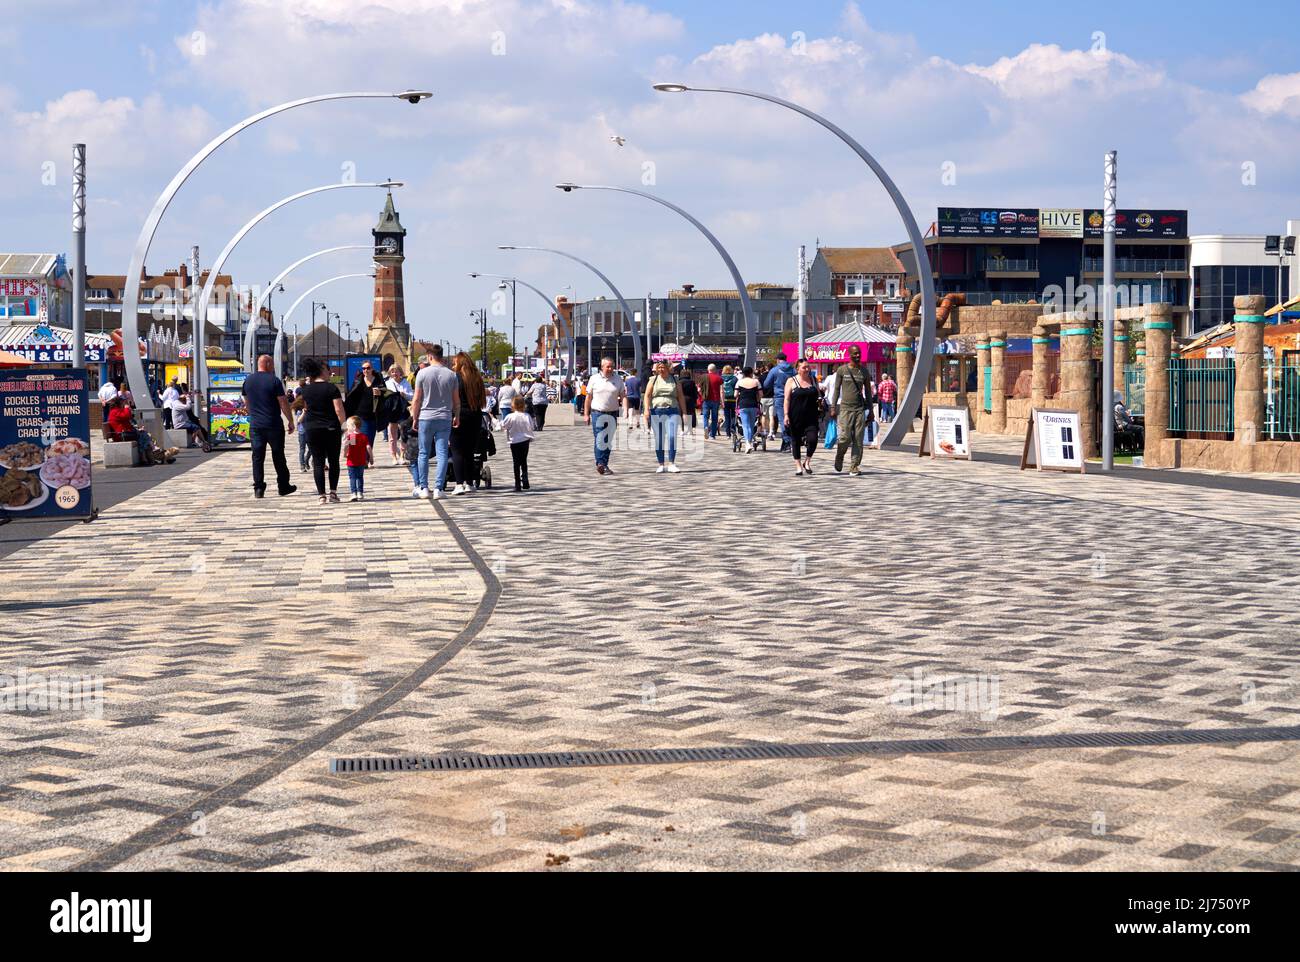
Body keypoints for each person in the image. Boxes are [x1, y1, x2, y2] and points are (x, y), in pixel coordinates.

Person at [241, 354, 297, 499]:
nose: (273, 367)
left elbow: (246, 401)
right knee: (278, 455)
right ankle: (283, 486)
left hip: (256, 425)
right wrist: (290, 421)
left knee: (257, 457)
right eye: (272, 364)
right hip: (273, 424)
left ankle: (259, 488)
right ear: (267, 364)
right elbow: (283, 402)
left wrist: (252, 413)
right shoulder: (274, 381)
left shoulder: (248, 381)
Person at [409, 344, 458, 499]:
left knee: (423, 452)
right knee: (442, 452)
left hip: (426, 417)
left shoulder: (422, 374)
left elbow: (416, 399)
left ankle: (424, 488)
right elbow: (456, 401)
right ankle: (439, 488)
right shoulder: (451, 375)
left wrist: (414, 417)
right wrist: (457, 415)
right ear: (442, 356)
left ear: (430, 356)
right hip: (444, 417)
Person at [299, 357, 346, 505]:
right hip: (331, 428)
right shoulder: (332, 388)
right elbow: (340, 411)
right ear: (322, 371)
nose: (329, 372)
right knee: (333, 461)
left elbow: (306, 409)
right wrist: (338, 425)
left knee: (318, 463)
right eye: (327, 369)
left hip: (312, 429)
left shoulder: (306, 390)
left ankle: (321, 496)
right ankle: (333, 493)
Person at [831, 345, 872, 476]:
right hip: (845, 409)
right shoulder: (842, 370)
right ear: (849, 354)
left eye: (859, 353)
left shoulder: (864, 372)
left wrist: (870, 410)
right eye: (855, 353)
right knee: (845, 438)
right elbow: (836, 389)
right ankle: (840, 455)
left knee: (858, 439)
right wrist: (833, 407)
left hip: (859, 409)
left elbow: (869, 393)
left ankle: (854, 466)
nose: (857, 356)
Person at [450, 352, 487, 496]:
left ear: (460, 363)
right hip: (475, 415)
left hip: (459, 415)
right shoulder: (477, 377)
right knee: (470, 452)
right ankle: (469, 483)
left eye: (454, 363)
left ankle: (459, 484)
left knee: (457, 451)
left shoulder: (456, 378)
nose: (453, 365)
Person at [644, 361, 688, 473]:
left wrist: (684, 413)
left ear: (668, 368)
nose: (661, 369)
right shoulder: (653, 380)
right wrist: (646, 410)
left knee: (672, 436)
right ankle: (661, 464)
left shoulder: (674, 380)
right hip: (656, 411)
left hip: (672, 410)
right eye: (659, 367)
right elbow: (647, 395)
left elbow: (681, 397)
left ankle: (672, 463)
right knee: (659, 439)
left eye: (663, 367)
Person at [584, 357, 625, 476]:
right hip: (598, 413)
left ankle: (604, 463)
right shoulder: (594, 379)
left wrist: (626, 411)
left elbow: (623, 396)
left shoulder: (618, 379)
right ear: (602, 367)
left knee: (608, 440)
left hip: (612, 413)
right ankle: (601, 463)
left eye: (612, 366)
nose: (610, 368)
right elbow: (588, 398)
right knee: (600, 438)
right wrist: (586, 414)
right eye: (608, 366)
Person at [784, 359, 822, 476]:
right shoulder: (791, 381)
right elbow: (787, 399)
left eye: (807, 367)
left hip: (811, 416)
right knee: (795, 441)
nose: (806, 369)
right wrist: (786, 415)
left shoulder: (813, 380)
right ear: (797, 369)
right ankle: (798, 466)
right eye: (804, 367)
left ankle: (807, 461)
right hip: (795, 416)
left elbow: (819, 395)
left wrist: (821, 400)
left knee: (813, 439)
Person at [345, 361, 386, 467]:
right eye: (363, 368)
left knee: (369, 438)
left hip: (372, 414)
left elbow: (386, 393)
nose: (365, 370)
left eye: (368, 368)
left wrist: (380, 393)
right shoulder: (358, 381)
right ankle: (358, 459)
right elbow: (351, 395)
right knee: (357, 437)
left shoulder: (378, 380)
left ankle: (365, 459)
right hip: (359, 414)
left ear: (372, 369)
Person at [501, 395, 535, 491]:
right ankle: (525, 480)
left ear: (513, 405)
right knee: (523, 460)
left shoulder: (510, 416)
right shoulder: (527, 416)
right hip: (525, 440)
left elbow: (504, 426)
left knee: (516, 462)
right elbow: (532, 426)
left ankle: (517, 484)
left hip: (514, 441)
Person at [763, 353, 795, 451]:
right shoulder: (793, 370)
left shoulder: (774, 370)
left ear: (777, 360)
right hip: (793, 397)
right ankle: (792, 440)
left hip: (780, 397)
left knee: (783, 420)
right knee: (792, 419)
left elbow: (766, 384)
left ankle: (787, 442)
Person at [385, 365, 415, 463]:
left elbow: (412, 396)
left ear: (400, 372)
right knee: (392, 435)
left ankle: (402, 455)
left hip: (403, 411)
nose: (394, 374)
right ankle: (394, 456)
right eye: (392, 372)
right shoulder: (388, 383)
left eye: (396, 371)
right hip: (392, 411)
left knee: (404, 434)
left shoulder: (405, 383)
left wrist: (404, 394)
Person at [735, 366, 763, 452]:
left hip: (743, 405)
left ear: (743, 373)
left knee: (745, 425)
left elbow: (735, 395)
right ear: (751, 373)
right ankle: (749, 442)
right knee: (751, 425)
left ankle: (748, 443)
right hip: (753, 405)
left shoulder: (739, 382)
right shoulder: (756, 381)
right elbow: (761, 394)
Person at [343, 415, 370, 501]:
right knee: (360, 476)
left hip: (352, 460)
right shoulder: (363, 436)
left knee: (352, 477)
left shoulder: (352, 436)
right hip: (361, 460)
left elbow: (347, 446)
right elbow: (368, 447)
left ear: (353, 426)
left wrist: (345, 453)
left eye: (348, 426)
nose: (347, 427)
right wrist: (371, 458)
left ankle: (353, 493)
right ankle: (360, 493)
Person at [291, 392, 311, 473]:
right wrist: (304, 412)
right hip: (302, 433)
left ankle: (306, 460)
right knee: (302, 449)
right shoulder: (300, 411)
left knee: (312, 449)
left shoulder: (310, 410)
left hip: (310, 432)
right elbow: (299, 420)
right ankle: (302, 465)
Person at [702, 363, 723, 439]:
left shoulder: (703, 377)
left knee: (705, 416)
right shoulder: (719, 378)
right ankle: (712, 435)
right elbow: (721, 391)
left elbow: (698, 389)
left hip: (706, 400)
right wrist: (722, 401)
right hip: (715, 400)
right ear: (715, 370)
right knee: (714, 418)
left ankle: (706, 427)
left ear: (708, 369)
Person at [679, 369, 699, 436]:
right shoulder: (692, 382)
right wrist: (695, 400)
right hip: (690, 399)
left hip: (682, 399)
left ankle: (682, 429)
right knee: (691, 413)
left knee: (682, 414)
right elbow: (695, 392)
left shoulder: (680, 382)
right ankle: (690, 429)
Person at [721, 364, 738, 439]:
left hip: (725, 399)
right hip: (733, 400)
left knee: (727, 417)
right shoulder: (735, 378)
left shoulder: (721, 378)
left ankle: (728, 434)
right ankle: (733, 430)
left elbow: (721, 391)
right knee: (733, 416)